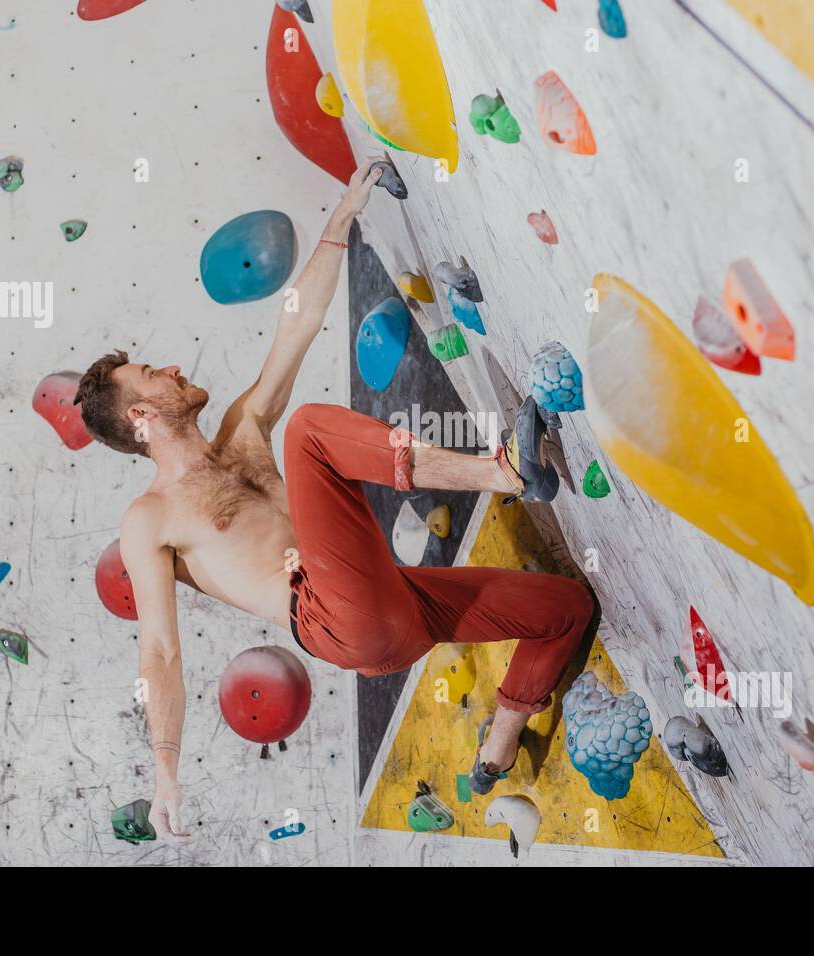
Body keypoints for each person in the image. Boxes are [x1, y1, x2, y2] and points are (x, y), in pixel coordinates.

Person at [74, 160, 597, 840]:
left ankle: (500, 740)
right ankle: (504, 473)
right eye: (153, 375)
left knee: (565, 609)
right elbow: (161, 653)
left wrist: (342, 217)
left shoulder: (240, 430)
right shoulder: (150, 519)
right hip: (332, 620)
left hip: (393, 610)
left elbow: (296, 325)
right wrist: (166, 772)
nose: (172, 367)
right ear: (141, 418)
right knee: (312, 430)